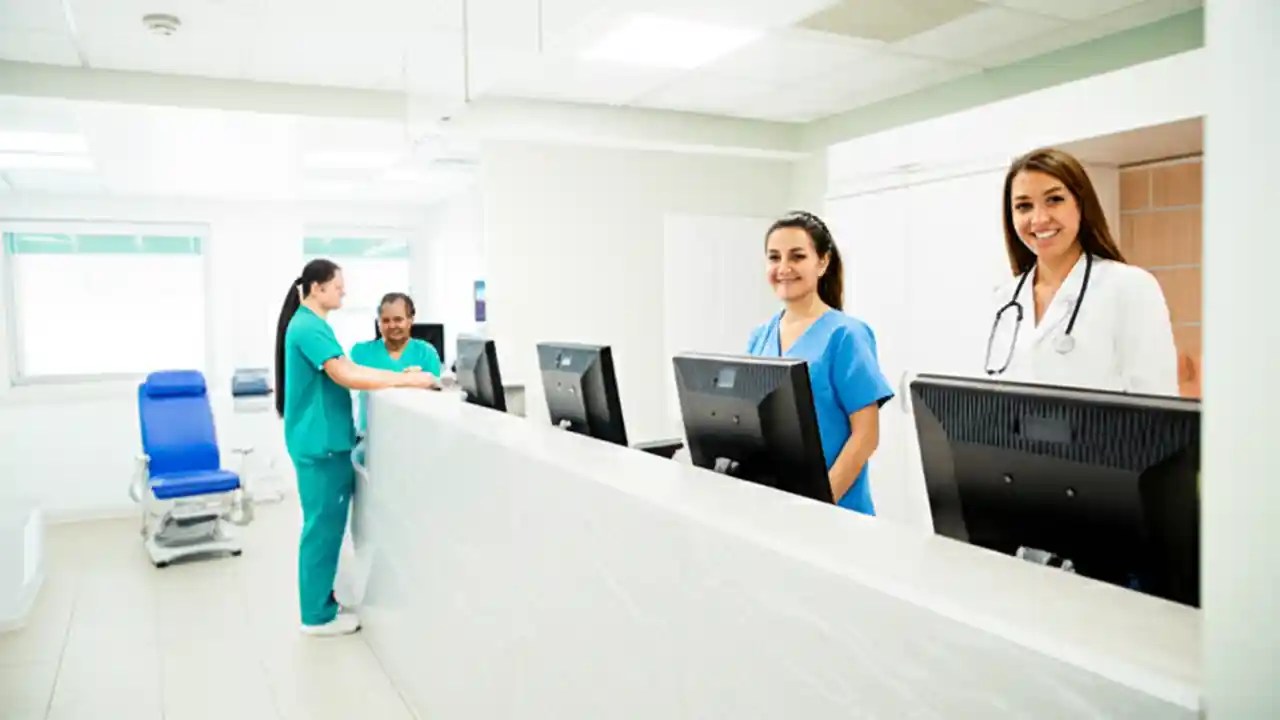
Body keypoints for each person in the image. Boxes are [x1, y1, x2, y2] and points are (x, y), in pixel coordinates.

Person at [274, 259, 438, 637]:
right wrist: (406, 381)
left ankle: (322, 604)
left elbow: (346, 369)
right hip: (320, 445)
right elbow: (346, 373)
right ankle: (316, 617)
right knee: (321, 530)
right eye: (338, 286)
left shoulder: (312, 325)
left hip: (321, 441)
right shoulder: (309, 326)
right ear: (317, 287)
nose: (343, 292)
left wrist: (400, 378)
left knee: (325, 528)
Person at [986, 147, 1178, 395]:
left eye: (1054, 200)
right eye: (1024, 206)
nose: (1039, 218)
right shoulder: (1005, 299)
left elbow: (1157, 403)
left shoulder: (1129, 286)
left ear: (1081, 204)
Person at [746, 211, 894, 515]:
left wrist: (820, 505)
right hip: (777, 509)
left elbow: (866, 436)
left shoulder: (845, 335)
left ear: (822, 262)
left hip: (835, 512)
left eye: (797, 256)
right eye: (774, 258)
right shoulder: (760, 337)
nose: (783, 268)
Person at [350, 292, 443, 433]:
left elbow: (437, 398)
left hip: (414, 434)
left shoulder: (426, 352)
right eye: (386, 320)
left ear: (410, 320)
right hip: (371, 437)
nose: (392, 325)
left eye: (398, 319)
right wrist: (406, 380)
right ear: (379, 323)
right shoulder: (360, 352)